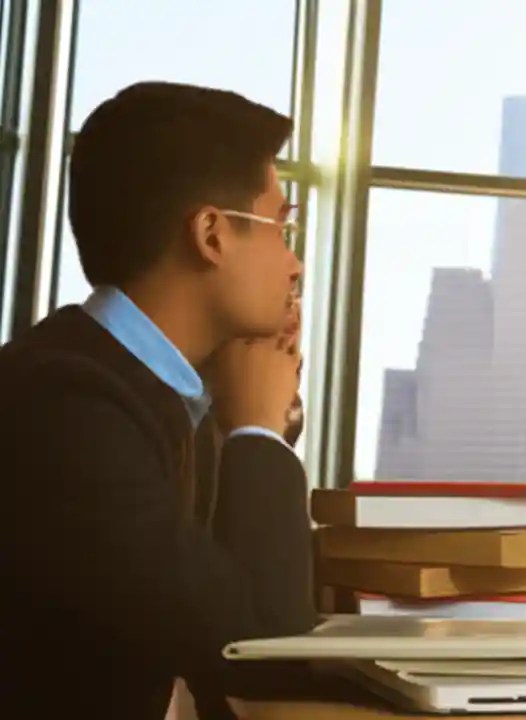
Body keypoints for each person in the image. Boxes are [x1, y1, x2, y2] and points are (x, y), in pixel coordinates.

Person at [0, 82, 315, 719]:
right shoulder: (66, 406)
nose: (296, 265)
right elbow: (258, 648)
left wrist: (242, 427)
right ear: (211, 234)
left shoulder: (149, 394)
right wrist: (256, 433)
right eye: (281, 226)